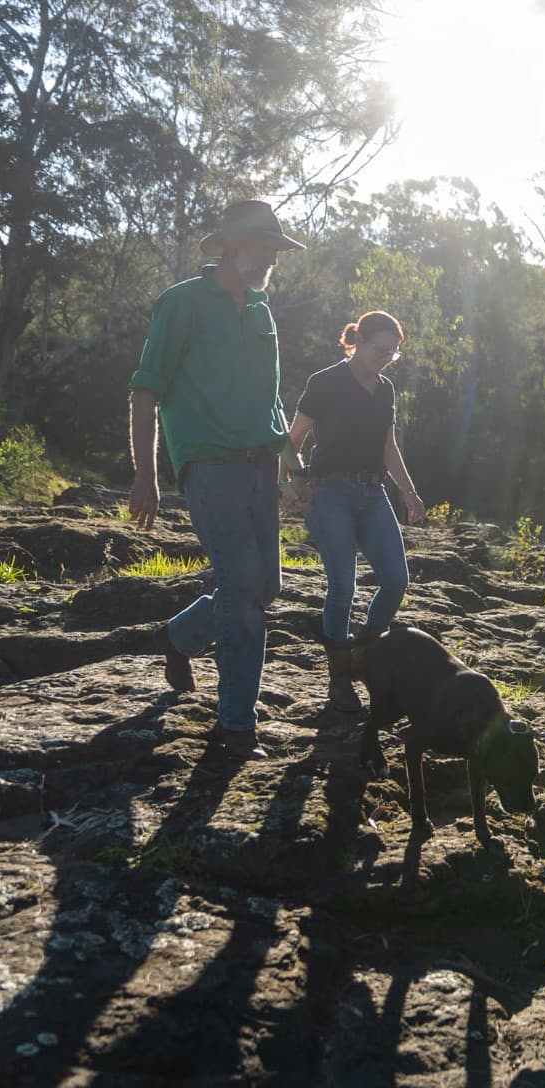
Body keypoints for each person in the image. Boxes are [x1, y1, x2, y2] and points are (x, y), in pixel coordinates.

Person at [128, 199, 305, 757]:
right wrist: (146, 476)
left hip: (259, 465)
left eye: (276, 249)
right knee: (246, 589)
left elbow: (270, 397)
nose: (271, 257)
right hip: (208, 465)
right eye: (263, 246)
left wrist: (292, 462)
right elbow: (145, 391)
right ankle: (236, 726)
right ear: (232, 246)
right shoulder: (181, 302)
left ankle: (176, 637)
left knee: (265, 587)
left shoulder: (261, 309)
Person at [282, 311, 425, 711]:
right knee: (343, 584)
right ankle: (340, 678)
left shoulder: (385, 389)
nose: (385, 358)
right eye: (380, 349)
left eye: (393, 353)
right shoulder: (325, 382)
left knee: (396, 580)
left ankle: (362, 651)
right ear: (358, 342)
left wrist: (409, 492)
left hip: (373, 493)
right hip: (330, 492)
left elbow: (388, 447)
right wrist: (293, 480)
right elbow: (291, 440)